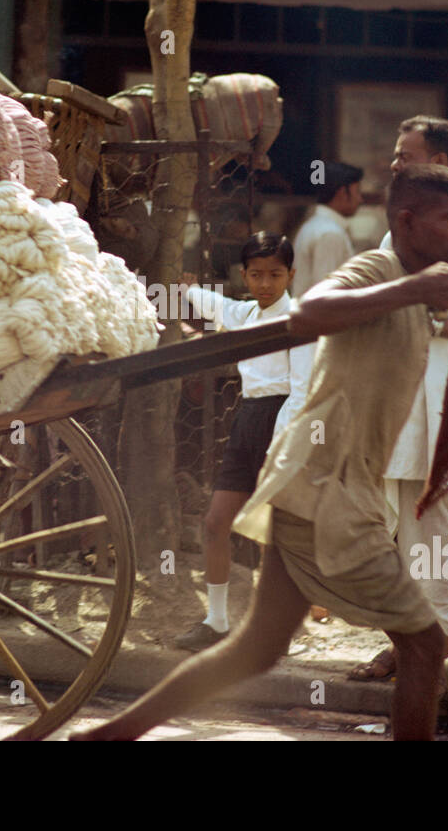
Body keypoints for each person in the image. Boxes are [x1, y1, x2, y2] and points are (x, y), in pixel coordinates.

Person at [72, 165, 448, 741]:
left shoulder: (416, 293)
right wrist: (419, 290)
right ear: (407, 222)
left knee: (254, 652)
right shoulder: (379, 269)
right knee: (422, 642)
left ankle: (107, 736)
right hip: (328, 495)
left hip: (320, 490)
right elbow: (307, 315)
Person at [350, 116, 448, 684]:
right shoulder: (399, 227)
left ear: (440, 161)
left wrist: (416, 308)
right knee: (389, 522)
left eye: (404, 155)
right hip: (395, 387)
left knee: (439, 520)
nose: (393, 164)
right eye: (395, 156)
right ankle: (403, 640)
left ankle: (440, 644)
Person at [173, 233, 313, 651]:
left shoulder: (300, 319)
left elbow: (303, 390)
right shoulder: (246, 312)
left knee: (278, 535)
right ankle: (216, 621)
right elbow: (220, 307)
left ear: (291, 274)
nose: (265, 283)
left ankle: (277, 629)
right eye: (256, 275)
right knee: (217, 522)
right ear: (244, 276)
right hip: (247, 419)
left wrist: (282, 446)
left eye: (274, 274)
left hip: (283, 419)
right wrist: (187, 289)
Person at [291, 161, 362, 297]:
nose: (360, 199)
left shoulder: (317, 226)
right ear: (342, 193)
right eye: (357, 192)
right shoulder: (329, 233)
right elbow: (325, 295)